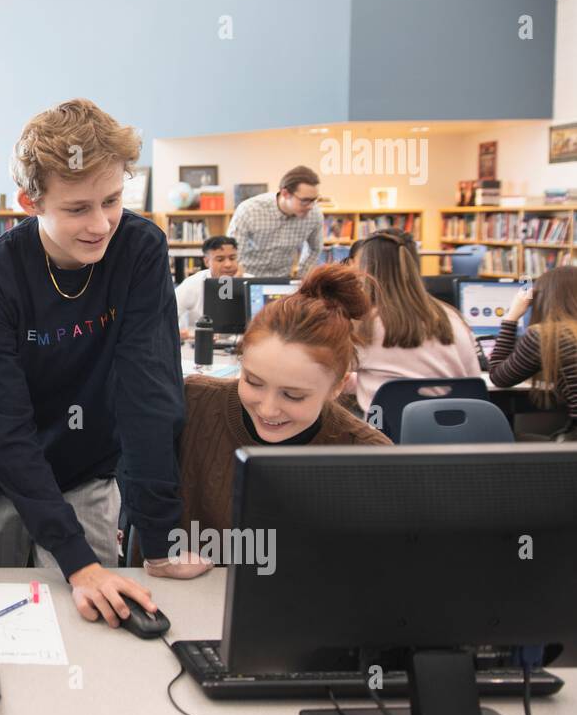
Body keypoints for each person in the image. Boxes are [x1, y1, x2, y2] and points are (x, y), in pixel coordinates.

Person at [0, 98, 206, 631]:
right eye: (77, 209)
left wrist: (159, 538)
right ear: (31, 201)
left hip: (87, 469)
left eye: (112, 200)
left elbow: (150, 394)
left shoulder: (140, 249)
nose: (101, 224)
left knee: (96, 624)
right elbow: (7, 430)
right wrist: (75, 560)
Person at [171, 264, 391, 556]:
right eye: (252, 381)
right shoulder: (192, 403)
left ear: (338, 386)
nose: (268, 409)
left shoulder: (368, 453)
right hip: (186, 595)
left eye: (293, 395)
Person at [349, 230, 479, 415]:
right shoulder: (452, 318)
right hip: (452, 432)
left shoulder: (365, 324)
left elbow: (329, 373)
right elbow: (472, 381)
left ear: (367, 271)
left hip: (386, 435)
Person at [489, 265, 577, 439]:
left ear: (543, 300)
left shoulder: (547, 336)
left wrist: (511, 317)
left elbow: (499, 377)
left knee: (510, 439)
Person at [226, 166, 323, 277]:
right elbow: (233, 251)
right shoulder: (249, 210)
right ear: (285, 193)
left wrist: (302, 277)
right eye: (305, 200)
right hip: (249, 277)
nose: (311, 206)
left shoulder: (315, 215)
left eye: (314, 200)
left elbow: (315, 248)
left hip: (283, 279)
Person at [175, 235, 241, 340]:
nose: (228, 264)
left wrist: (237, 283)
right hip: (200, 343)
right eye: (220, 259)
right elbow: (165, 316)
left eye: (232, 258)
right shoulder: (192, 284)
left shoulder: (250, 282)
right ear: (206, 262)